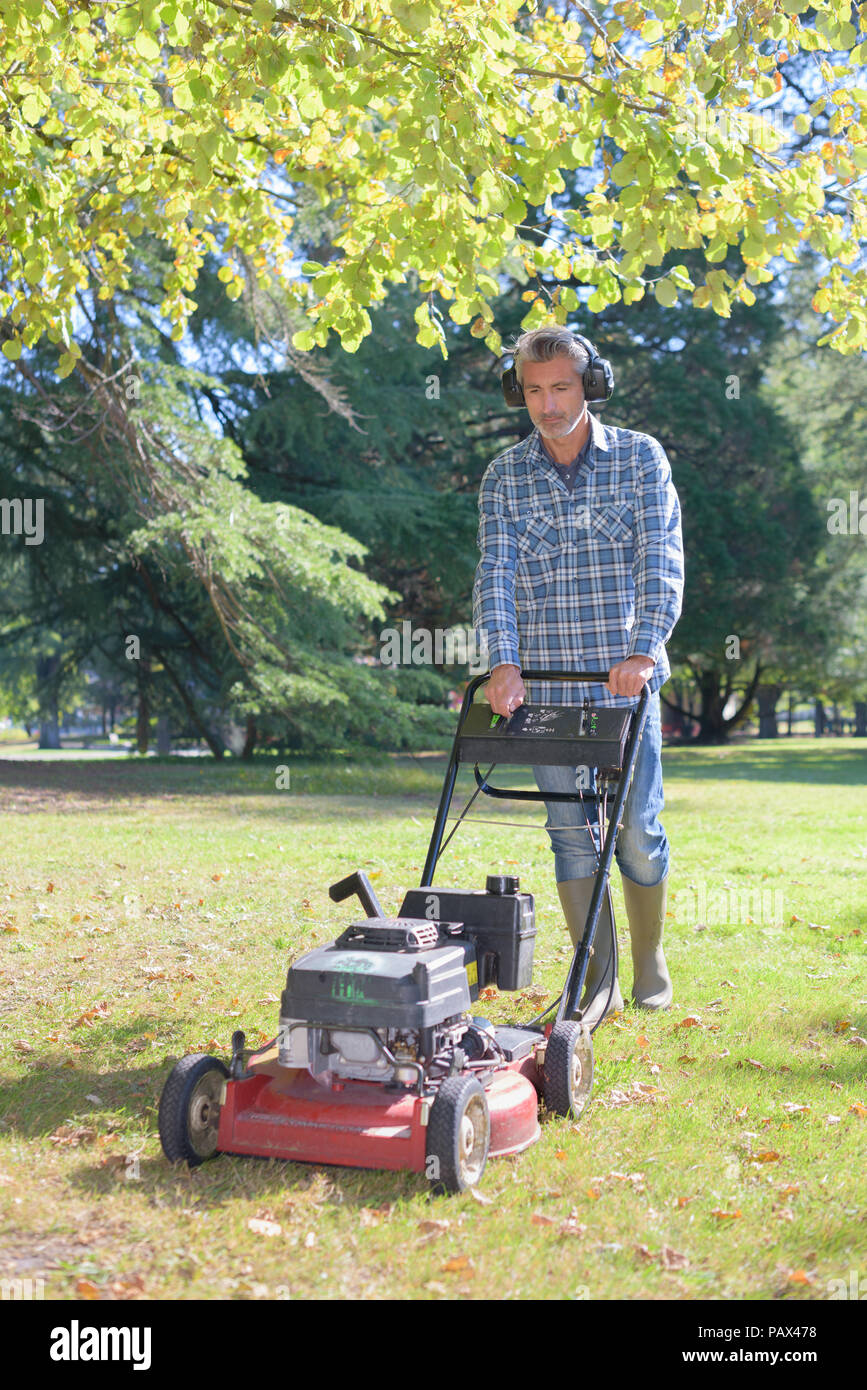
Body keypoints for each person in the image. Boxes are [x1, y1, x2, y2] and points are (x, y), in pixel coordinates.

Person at [472, 326, 684, 1023]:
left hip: (624, 682)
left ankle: (648, 961)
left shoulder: (638, 459)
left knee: (635, 834)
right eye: (533, 391)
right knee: (568, 832)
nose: (547, 404)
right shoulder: (505, 476)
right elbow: (495, 574)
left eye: (561, 387)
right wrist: (502, 661)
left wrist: (644, 647)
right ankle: (597, 979)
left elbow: (660, 558)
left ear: (588, 385)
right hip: (547, 687)